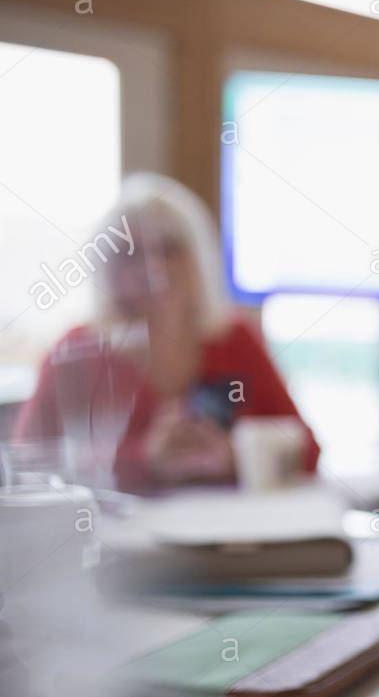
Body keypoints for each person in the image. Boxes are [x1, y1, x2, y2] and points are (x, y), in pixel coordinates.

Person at [13, 173, 319, 492]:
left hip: (231, 533)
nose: (153, 268)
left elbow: (308, 453)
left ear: (198, 259)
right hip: (117, 537)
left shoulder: (234, 339)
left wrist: (234, 456)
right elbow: (27, 466)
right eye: (131, 254)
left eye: (170, 249)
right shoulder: (77, 351)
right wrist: (143, 459)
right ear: (106, 267)